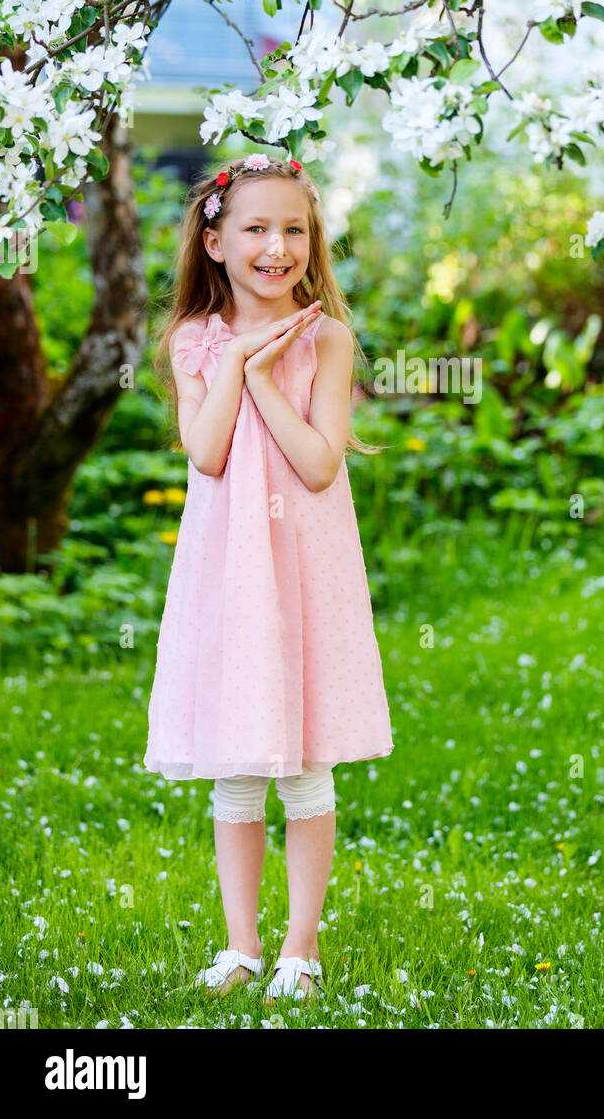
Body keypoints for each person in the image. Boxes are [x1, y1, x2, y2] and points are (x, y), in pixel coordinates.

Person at [144, 152, 393, 1005]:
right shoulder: (193, 342)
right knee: (238, 765)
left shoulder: (327, 340)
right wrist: (234, 362)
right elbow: (207, 453)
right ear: (215, 243)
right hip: (229, 570)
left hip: (306, 566)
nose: (277, 247)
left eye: (294, 229)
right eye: (256, 228)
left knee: (305, 761)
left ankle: (300, 948)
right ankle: (242, 946)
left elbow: (320, 464)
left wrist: (263, 377)